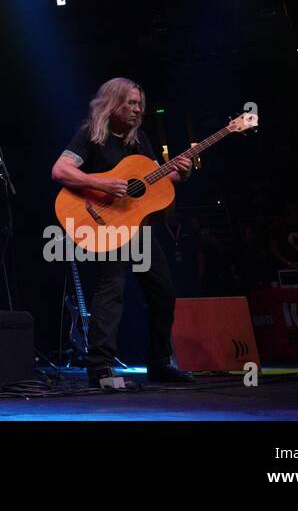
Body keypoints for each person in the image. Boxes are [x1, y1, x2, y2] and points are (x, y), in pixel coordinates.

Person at [50, 77, 193, 388]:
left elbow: (156, 182)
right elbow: (60, 170)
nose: (137, 108)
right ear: (113, 102)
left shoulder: (139, 139)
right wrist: (101, 183)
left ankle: (159, 363)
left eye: (139, 103)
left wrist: (179, 174)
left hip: (138, 227)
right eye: (130, 102)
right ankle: (99, 367)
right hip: (106, 224)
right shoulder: (91, 135)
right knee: (111, 292)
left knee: (163, 294)